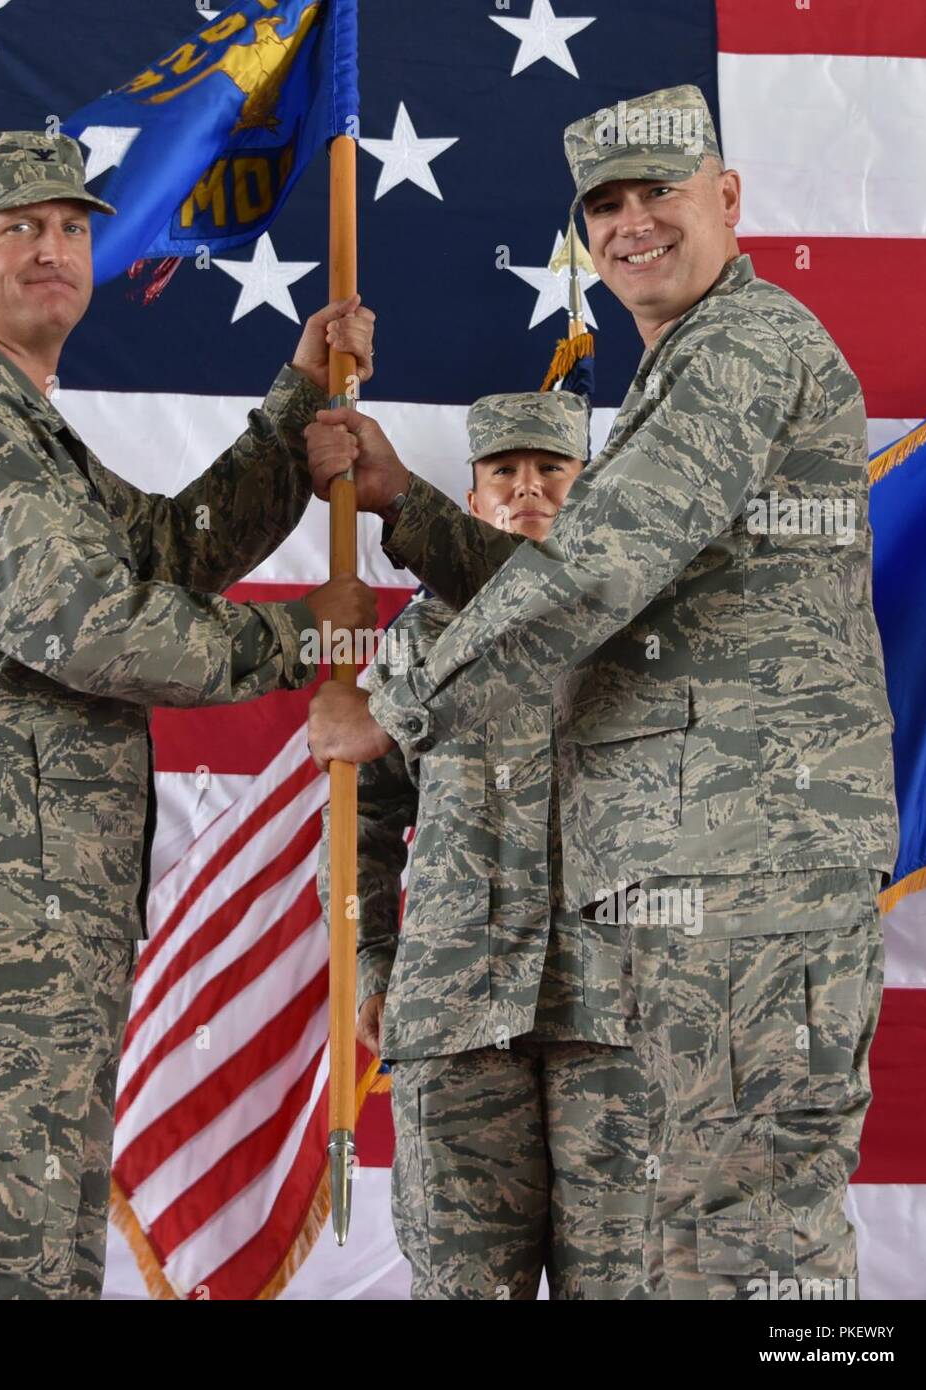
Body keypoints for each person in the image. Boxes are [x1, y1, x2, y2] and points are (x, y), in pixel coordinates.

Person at [305, 85, 897, 1299]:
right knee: (689, 1246)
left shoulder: (741, 350)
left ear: (726, 200)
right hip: (692, 910)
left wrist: (394, 702)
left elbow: (592, 571)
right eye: (605, 205)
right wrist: (413, 514)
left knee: (737, 1257)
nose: (632, 223)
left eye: (659, 194)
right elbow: (593, 588)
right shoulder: (693, 361)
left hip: (742, 900)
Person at [0, 129, 377, 1300]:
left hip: (28, 930)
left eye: (70, 226)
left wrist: (292, 412)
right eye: (15, 226)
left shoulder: (25, 436)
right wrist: (306, 638)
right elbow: (99, 627)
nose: (51, 248)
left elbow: (168, 555)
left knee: (29, 1266)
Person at [321, 390, 650, 1299]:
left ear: (587, 493)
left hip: (619, 1016)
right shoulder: (412, 649)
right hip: (457, 1010)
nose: (528, 488)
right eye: (503, 472)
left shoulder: (643, 636)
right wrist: (373, 962)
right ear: (471, 502)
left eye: (552, 470)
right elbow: (359, 821)